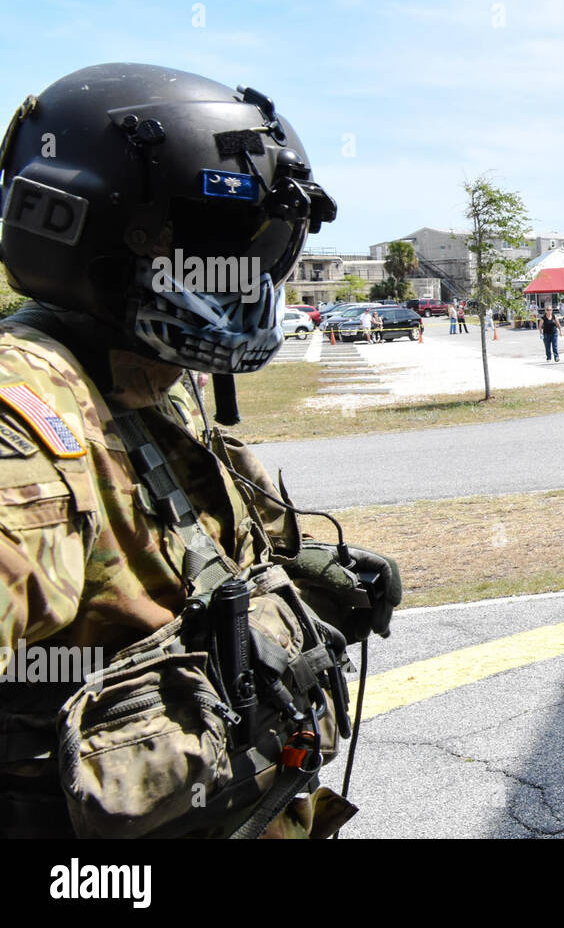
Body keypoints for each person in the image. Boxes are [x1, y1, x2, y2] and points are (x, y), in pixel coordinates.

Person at [0, 63, 402, 838]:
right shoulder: (25, 417)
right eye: (212, 244)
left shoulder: (148, 375)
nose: (244, 279)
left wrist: (299, 570)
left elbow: (182, 545)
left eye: (261, 246)